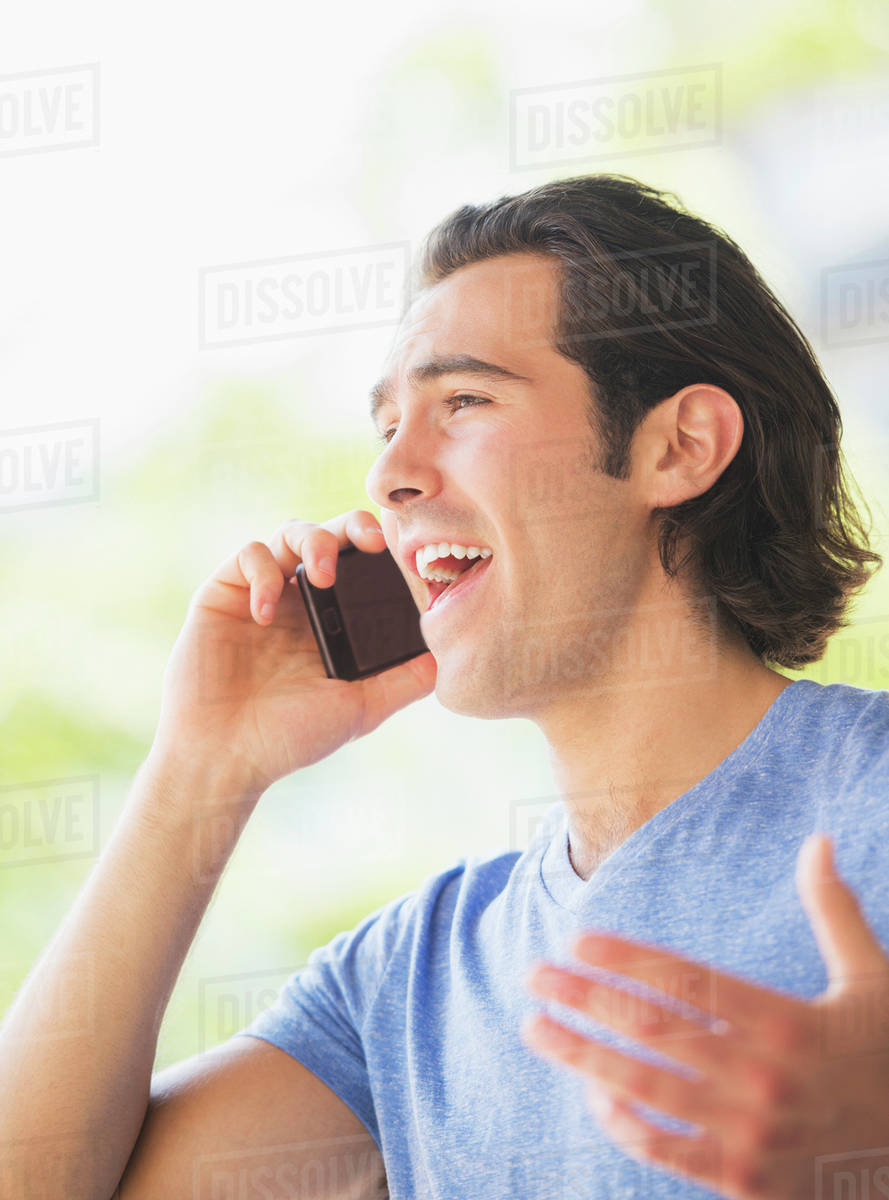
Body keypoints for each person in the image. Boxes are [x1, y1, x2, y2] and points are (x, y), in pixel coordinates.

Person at [1, 174, 886, 1200]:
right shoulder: (408, 984)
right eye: (387, 426)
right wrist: (200, 770)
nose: (388, 477)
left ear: (677, 446)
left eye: (463, 401)